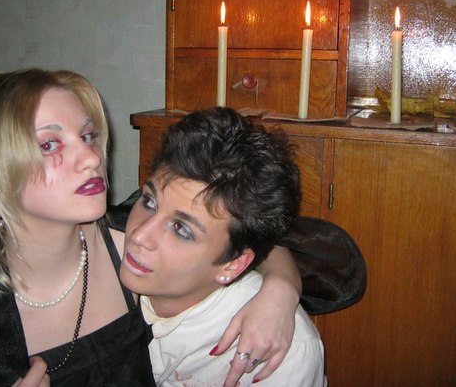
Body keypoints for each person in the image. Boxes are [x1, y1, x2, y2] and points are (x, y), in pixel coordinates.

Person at [0, 69, 303, 386]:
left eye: (87, 135)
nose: (90, 156)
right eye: (49, 145)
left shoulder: (132, 243)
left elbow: (244, 233)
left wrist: (280, 289)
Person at [119, 107, 327, 386]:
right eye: (149, 201)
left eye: (181, 229)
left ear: (233, 264)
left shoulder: (283, 356)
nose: (139, 235)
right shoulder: (95, 262)